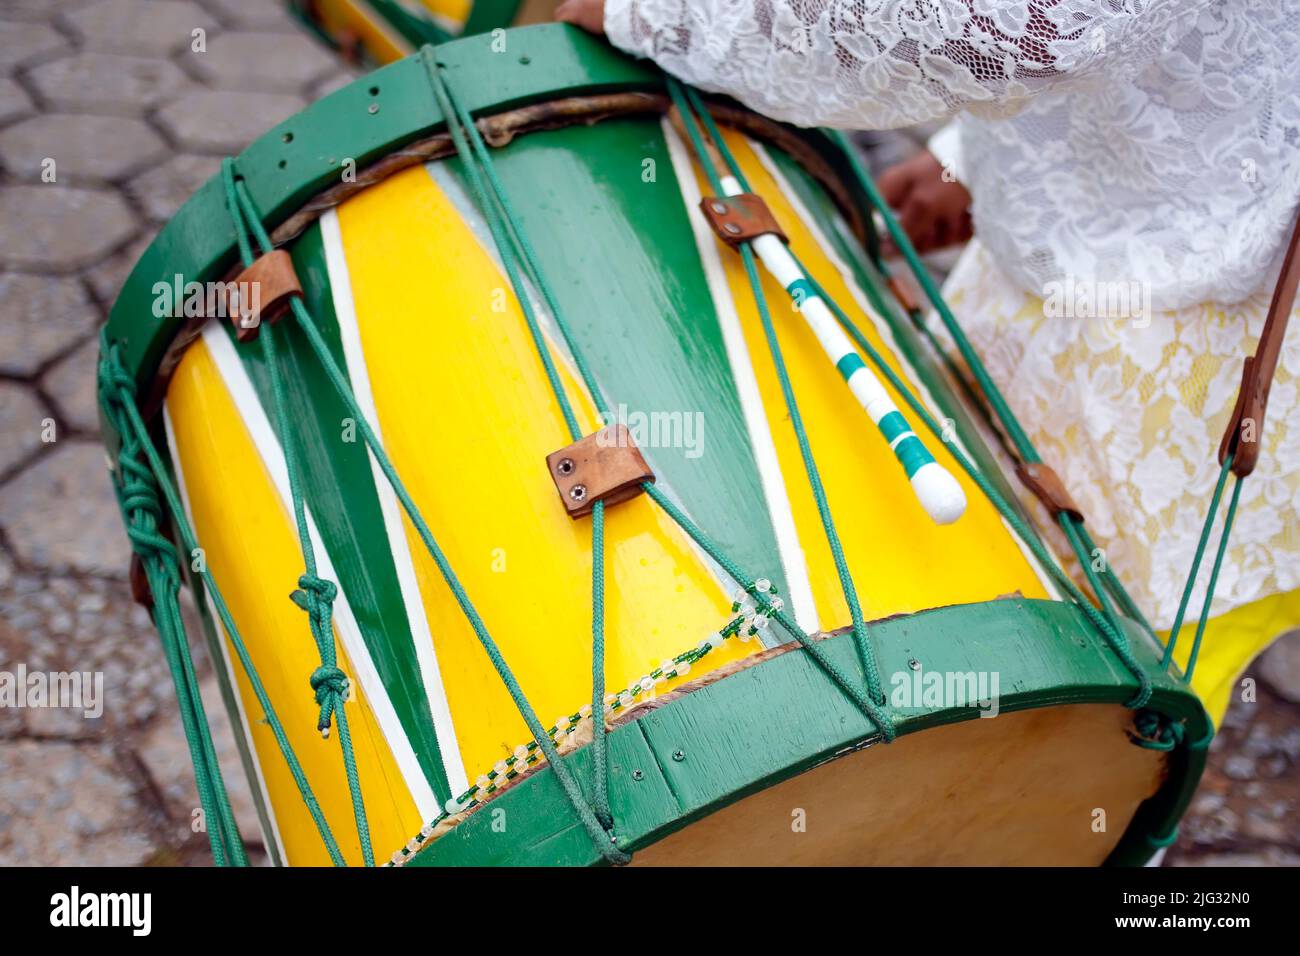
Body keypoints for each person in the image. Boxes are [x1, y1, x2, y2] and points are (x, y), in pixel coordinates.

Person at [556, 0, 1300, 719]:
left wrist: (668, 15)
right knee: (964, 617)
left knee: (1095, 720)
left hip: (1193, 365)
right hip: (1069, 282)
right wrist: (978, 158)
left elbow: (1034, 29)